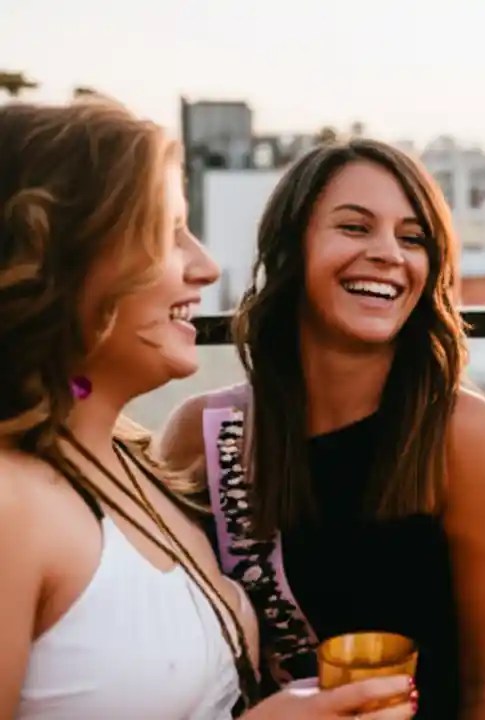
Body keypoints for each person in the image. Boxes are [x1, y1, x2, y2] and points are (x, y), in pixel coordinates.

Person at [0, 99, 416, 718]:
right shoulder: (13, 506)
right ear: (65, 258)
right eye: (168, 232)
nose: (205, 265)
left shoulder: (137, 466)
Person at [161, 138, 485, 719]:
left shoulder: (458, 432)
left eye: (412, 239)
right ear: (290, 249)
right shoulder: (203, 433)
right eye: (355, 228)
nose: (388, 254)